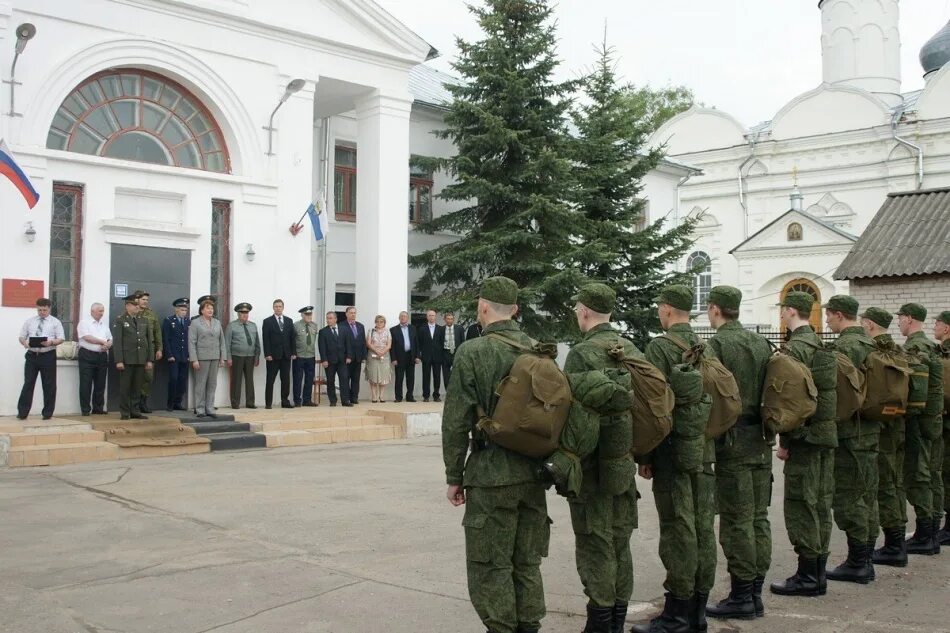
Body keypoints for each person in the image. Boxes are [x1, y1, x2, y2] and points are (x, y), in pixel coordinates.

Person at [442, 276, 550, 633]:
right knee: (526, 562)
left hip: (490, 474)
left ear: (483, 307)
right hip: (534, 472)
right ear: (515, 310)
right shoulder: (538, 349)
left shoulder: (472, 352)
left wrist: (454, 476)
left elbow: (456, 420)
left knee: (491, 564)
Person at [633, 285, 716, 633]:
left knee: (677, 529)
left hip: (672, 453)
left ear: (667, 309)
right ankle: (697, 611)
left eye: (659, 307)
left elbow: (654, 408)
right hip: (703, 450)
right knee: (701, 528)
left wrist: (645, 454)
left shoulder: (660, 347)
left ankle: (677, 614)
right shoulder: (706, 346)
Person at [564, 283, 641, 633]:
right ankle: (618, 621)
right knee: (620, 541)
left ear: (584, 312)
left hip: (593, 466)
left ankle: (600, 622)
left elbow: (572, 413)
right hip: (623, 461)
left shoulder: (582, 354)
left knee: (596, 543)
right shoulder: (632, 349)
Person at [704, 286, 773, 620]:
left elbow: (709, 395)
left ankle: (742, 595)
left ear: (715, 309)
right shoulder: (760, 342)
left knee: (736, 520)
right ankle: (755, 592)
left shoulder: (717, 345)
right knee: (759, 517)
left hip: (732, 442)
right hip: (761, 438)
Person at [770, 291, 837, 598]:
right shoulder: (820, 343)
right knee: (821, 502)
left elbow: (790, 401)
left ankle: (808, 577)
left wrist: (785, 440)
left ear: (789, 311)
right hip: (825, 434)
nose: (781, 315)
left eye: (783, 310)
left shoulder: (795, 349)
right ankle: (818, 572)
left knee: (802, 504)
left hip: (806, 438)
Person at [823, 295, 878, 584]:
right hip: (871, 429)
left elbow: (836, 393)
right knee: (868, 493)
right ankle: (865, 557)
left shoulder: (844, 347)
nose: (827, 320)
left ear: (839, 315)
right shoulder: (872, 343)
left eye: (829, 316)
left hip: (850, 432)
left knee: (848, 496)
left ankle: (858, 562)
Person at [862, 308, 909, 567]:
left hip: (878, 426)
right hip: (897, 422)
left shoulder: (871, 351)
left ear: (869, 325)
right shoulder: (899, 351)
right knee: (895, 481)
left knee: (883, 485)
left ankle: (893, 546)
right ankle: (896, 542)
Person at [898, 302, 944, 556]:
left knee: (919, 475)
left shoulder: (916, 347)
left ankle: (925, 535)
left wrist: (906, 419)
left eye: (901, 319)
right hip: (932, 420)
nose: (899, 323)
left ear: (909, 319)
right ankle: (930, 532)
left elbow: (917, 392)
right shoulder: (931, 346)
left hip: (918, 422)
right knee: (929, 474)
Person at [16, 297, 65, 420]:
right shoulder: (30, 321)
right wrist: (25, 343)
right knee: (28, 383)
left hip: (47, 355)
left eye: (44, 310)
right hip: (32, 356)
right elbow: (22, 337)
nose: (42, 312)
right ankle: (22, 412)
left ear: (49, 309)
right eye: (39, 310)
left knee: (49, 385)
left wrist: (51, 342)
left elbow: (61, 338)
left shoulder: (55, 322)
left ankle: (47, 413)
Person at [113, 295, 153, 420]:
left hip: (141, 359)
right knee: (125, 387)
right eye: (135, 305)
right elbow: (117, 342)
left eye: (138, 305)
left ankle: (135, 411)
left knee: (137, 387)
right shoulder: (120, 320)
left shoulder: (144, 320)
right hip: (127, 359)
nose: (137, 307)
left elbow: (148, 341)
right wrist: (119, 360)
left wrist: (149, 359)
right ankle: (125, 412)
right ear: (127, 306)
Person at [188, 299, 228, 418]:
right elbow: (192, 342)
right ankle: (200, 409)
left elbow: (222, 341)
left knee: (212, 384)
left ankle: (210, 408)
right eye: (207, 308)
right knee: (200, 384)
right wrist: (194, 359)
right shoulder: (195, 323)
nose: (210, 310)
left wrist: (223, 357)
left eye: (211, 308)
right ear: (202, 310)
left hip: (215, 357)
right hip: (201, 358)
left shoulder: (217, 322)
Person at [76, 302, 112, 416]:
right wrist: (102, 342)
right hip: (87, 355)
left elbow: (110, 338)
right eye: (100, 311)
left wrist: (107, 345)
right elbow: (87, 337)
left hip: (101, 356)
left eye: (103, 311)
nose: (102, 313)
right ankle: (86, 409)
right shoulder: (84, 323)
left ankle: (98, 408)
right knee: (86, 383)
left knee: (100, 383)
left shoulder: (104, 325)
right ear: (92, 311)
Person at [262, 299, 296, 409]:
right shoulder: (267, 321)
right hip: (273, 356)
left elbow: (292, 338)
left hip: (286, 355)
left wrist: (293, 352)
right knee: (270, 380)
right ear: (273, 308)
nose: (278, 308)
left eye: (280, 306)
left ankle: (285, 401)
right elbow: (265, 339)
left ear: (283, 308)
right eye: (276, 306)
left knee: (285, 380)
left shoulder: (289, 321)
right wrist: (267, 354)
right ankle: (268, 403)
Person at [934, 311, 950, 546]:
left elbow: (945, 392)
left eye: (937, 324)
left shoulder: (946, 353)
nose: (934, 327)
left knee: (947, 473)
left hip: (947, 421)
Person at [226, 302, 260, 409]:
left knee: (250, 380)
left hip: (250, 356)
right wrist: (229, 358)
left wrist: (257, 356)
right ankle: (235, 403)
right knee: (236, 380)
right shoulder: (232, 326)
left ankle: (250, 402)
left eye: (246, 313)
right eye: (242, 313)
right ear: (238, 314)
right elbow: (227, 343)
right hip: (237, 356)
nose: (245, 315)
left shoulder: (253, 326)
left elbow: (257, 342)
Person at [134, 290, 162, 413]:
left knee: (148, 377)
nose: (145, 302)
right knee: (135, 377)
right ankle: (133, 403)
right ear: (137, 300)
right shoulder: (132, 313)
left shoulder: (151, 314)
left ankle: (143, 401)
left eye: (146, 300)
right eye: (143, 299)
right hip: (135, 350)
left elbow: (157, 332)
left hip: (149, 350)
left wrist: (159, 348)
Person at [318, 311, 352, 407]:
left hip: (342, 360)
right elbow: (322, 347)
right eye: (327, 318)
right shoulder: (323, 332)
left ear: (335, 319)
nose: (328, 320)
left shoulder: (344, 330)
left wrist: (349, 356)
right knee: (330, 381)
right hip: (329, 361)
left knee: (344, 380)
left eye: (330, 318)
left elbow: (348, 344)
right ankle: (333, 400)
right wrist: (324, 360)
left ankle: (345, 400)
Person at [162, 298, 190, 411]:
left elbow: (189, 339)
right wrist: (169, 354)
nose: (184, 312)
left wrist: (189, 354)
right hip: (174, 355)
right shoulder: (169, 321)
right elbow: (166, 339)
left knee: (182, 380)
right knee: (173, 379)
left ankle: (178, 402)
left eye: (185, 310)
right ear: (176, 309)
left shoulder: (188, 321)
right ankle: (170, 403)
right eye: (182, 310)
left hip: (185, 355)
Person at [390, 311, 420, 402]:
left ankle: (409, 396)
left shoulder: (413, 328)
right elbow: (392, 346)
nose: (403, 318)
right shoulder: (393, 330)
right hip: (399, 358)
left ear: (407, 318)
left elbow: (416, 343)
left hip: (411, 356)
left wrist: (417, 356)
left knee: (410, 378)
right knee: (399, 378)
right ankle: (398, 397)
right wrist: (393, 358)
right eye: (401, 316)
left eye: (405, 316)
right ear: (399, 318)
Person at [293, 306, 319, 407]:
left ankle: (307, 400)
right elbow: (292, 341)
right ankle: (297, 400)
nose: (309, 316)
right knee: (298, 379)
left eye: (310, 314)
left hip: (310, 356)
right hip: (299, 356)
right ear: (302, 315)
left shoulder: (314, 326)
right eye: (307, 314)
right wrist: (294, 353)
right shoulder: (296, 325)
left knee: (309, 379)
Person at [418, 309, 444, 402]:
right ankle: (426, 396)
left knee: (437, 377)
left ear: (435, 317)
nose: (431, 317)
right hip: (426, 356)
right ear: (427, 317)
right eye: (430, 315)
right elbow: (419, 344)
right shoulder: (422, 329)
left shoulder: (441, 329)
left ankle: (436, 395)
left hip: (437, 357)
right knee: (426, 377)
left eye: (433, 315)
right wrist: (419, 356)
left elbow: (442, 343)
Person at [342, 306, 367, 404]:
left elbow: (363, 343)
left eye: (354, 313)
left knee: (356, 379)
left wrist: (364, 356)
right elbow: (342, 343)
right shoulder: (342, 326)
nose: (353, 315)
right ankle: (346, 398)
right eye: (351, 313)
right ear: (346, 314)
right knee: (346, 379)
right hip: (347, 358)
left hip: (358, 358)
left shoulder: (360, 326)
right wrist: (346, 356)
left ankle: (354, 397)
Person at [365, 315, 392, 403]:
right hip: (373, 356)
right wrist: (377, 351)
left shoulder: (388, 331)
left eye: (381, 321)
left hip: (385, 356)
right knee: (373, 375)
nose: (379, 323)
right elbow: (368, 343)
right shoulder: (371, 331)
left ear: (384, 323)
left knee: (384, 376)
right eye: (378, 321)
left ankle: (381, 396)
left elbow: (389, 344)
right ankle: (374, 396)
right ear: (375, 322)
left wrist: (383, 352)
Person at [441, 311, 465, 391]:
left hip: (456, 353)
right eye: (448, 319)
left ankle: (456, 392)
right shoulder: (441, 329)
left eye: (451, 319)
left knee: (456, 374)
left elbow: (463, 341)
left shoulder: (459, 328)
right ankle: (448, 391)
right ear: (445, 319)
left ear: (453, 320)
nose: (449, 320)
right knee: (446, 375)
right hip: (445, 354)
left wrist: (461, 354)